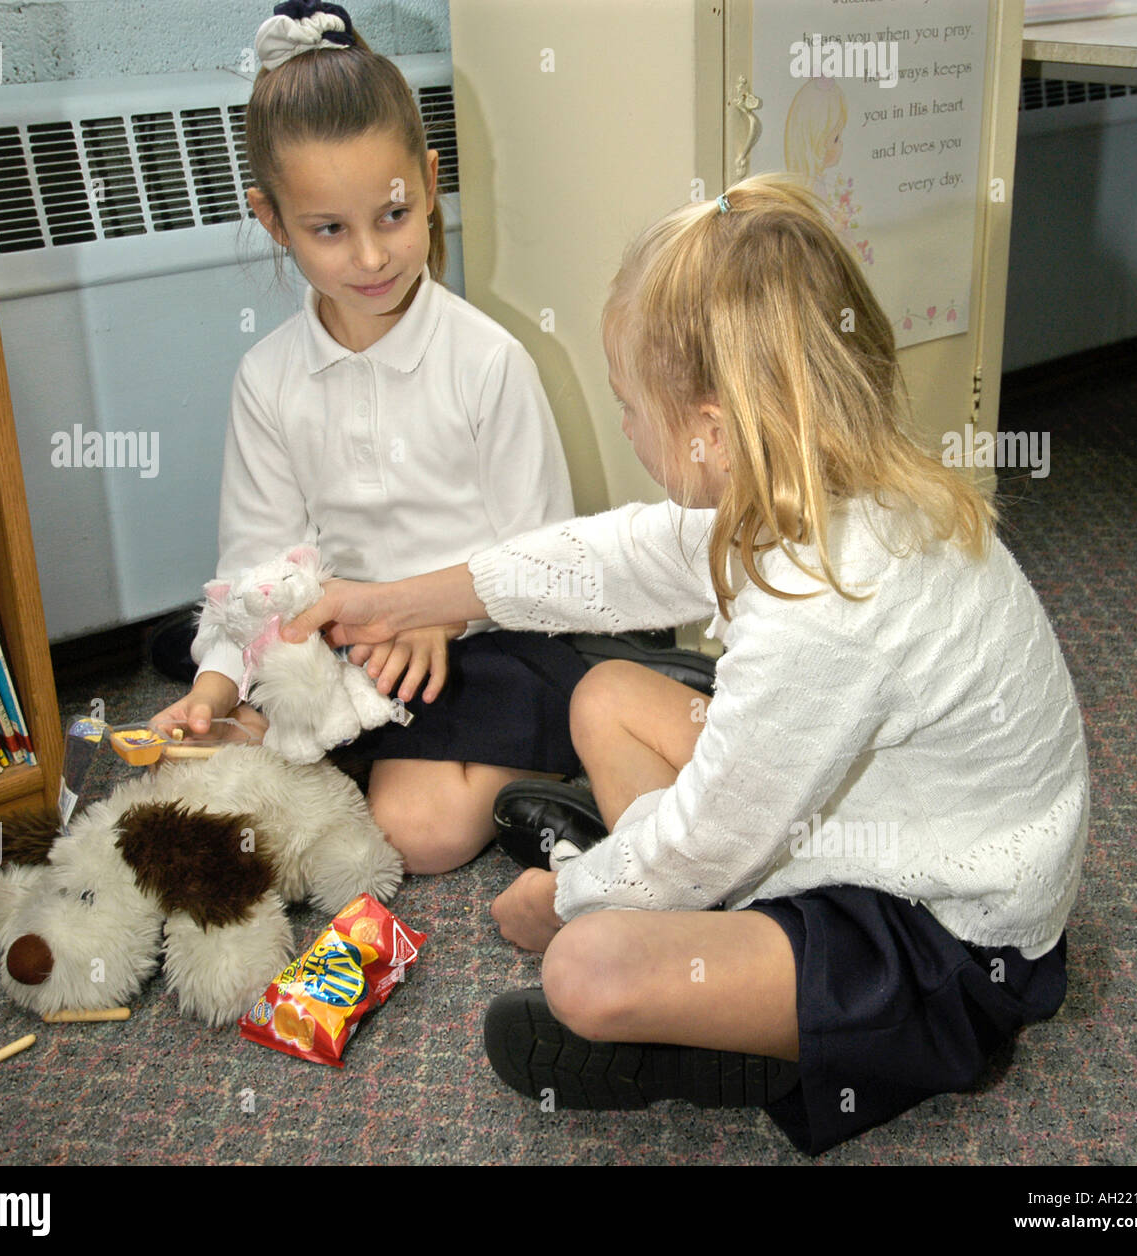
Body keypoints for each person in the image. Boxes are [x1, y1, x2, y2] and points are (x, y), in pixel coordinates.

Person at [280, 173, 1090, 1155]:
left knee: (587, 966)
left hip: (950, 939)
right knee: (609, 690)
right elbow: (605, 560)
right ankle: (690, 931)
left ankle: (767, 1039)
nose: (623, 424)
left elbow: (708, 837)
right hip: (862, 817)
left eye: (629, 405)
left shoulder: (824, 606)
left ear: (709, 426)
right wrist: (393, 600)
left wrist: (568, 893)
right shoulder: (815, 484)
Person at [153, 2, 585, 875]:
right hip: (340, 647)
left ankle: (438, 760)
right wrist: (213, 688)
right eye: (328, 231)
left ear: (428, 182)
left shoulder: (489, 362)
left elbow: (549, 565)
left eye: (392, 216)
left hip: (478, 637)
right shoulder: (268, 380)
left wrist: (439, 609)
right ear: (273, 221)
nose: (372, 258)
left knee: (419, 833)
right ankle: (311, 739)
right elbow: (258, 576)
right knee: (193, 751)